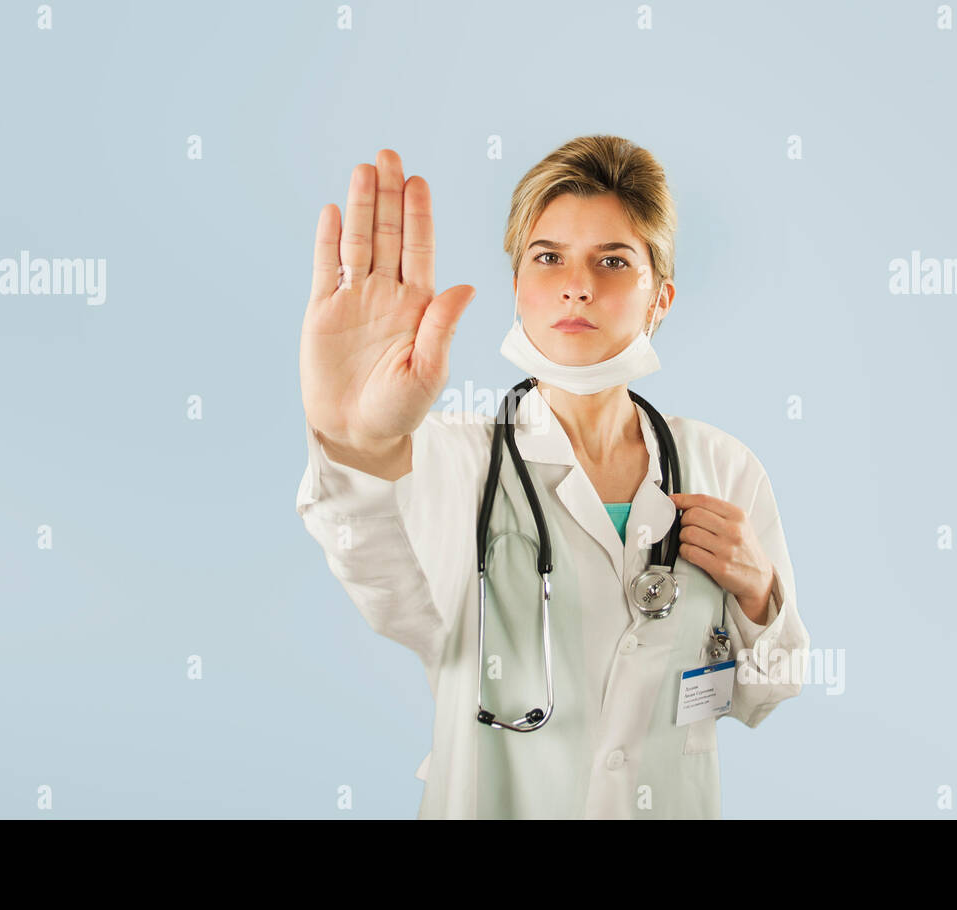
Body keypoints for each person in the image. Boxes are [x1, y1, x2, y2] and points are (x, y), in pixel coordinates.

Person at [296, 137, 809, 819]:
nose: (578, 284)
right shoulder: (454, 460)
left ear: (661, 298)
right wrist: (358, 441)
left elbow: (767, 691)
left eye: (613, 260)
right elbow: (385, 582)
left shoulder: (722, 468)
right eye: (548, 257)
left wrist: (757, 596)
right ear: (517, 286)